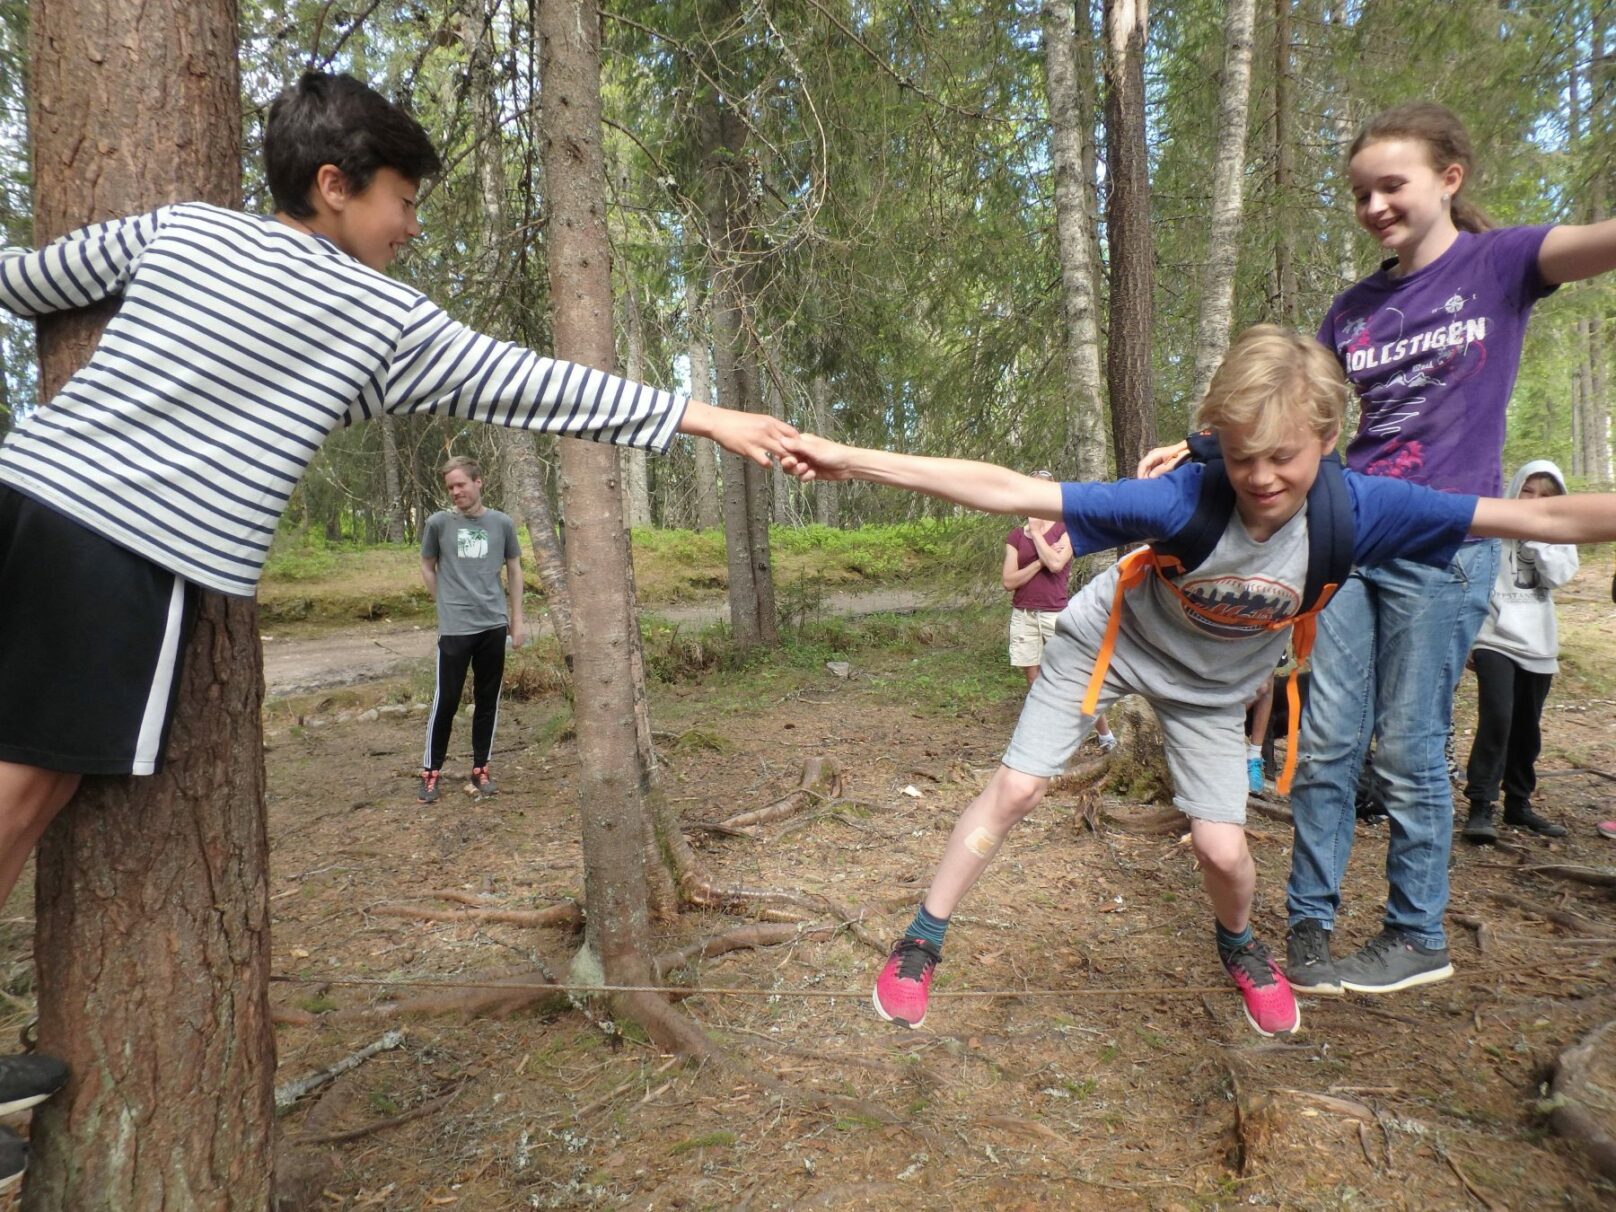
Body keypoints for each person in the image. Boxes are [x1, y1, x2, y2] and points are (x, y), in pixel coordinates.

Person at [0, 70, 797, 1186]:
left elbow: (32, 283)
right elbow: (527, 384)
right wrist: (696, 413)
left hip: (24, 489)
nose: (411, 228)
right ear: (334, 185)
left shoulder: (184, 231)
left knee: (32, 785)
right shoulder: (373, 309)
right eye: (402, 202)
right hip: (120, 545)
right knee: (30, 786)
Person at [783, 324, 1616, 1038]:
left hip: (1216, 691)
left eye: (1284, 457)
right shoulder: (1185, 495)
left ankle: (1240, 944)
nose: (1260, 478)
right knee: (1018, 789)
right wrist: (849, 460)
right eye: (1244, 455)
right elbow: (1009, 488)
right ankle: (923, 936)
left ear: (1327, 439)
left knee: (1222, 847)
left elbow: (1537, 517)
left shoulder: (1361, 511)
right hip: (1113, 643)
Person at [1138, 102, 1616, 996]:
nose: (1374, 206)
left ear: (1449, 178)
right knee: (1324, 741)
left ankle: (1414, 931)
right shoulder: (1354, 307)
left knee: (1408, 745)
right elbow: (1288, 402)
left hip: (1445, 540)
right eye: (1360, 193)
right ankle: (1310, 926)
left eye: (1391, 185)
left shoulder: (1502, 264)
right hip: (1349, 534)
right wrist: (1202, 448)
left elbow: (1599, 240)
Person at [1461, 463, 1576, 842]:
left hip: (1539, 642)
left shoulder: (1560, 535)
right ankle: (1480, 805)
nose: (1535, 501)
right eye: (1528, 491)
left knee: (1527, 727)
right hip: (1494, 637)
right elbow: (1471, 579)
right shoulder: (1493, 527)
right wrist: (1468, 637)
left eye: (1546, 495)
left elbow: (1557, 577)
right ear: (1515, 490)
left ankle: (1518, 803)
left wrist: (1539, 537)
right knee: (1498, 717)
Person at [418, 457, 525, 803]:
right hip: (455, 628)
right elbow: (426, 564)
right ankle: (430, 771)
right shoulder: (439, 524)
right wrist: (444, 602)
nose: (455, 492)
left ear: (479, 482)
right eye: (450, 487)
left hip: (493, 624)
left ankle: (481, 769)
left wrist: (517, 619)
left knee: (487, 700)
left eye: (461, 484)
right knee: (446, 701)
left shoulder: (502, 523)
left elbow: (514, 569)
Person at [1003, 472, 1115, 751]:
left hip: (1055, 613)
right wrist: (1037, 563)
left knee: (1077, 676)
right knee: (1034, 679)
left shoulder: (1065, 528)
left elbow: (1056, 563)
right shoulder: (1016, 536)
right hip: (1024, 614)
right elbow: (1008, 581)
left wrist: (1039, 534)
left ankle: (1105, 735)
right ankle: (1042, 736)